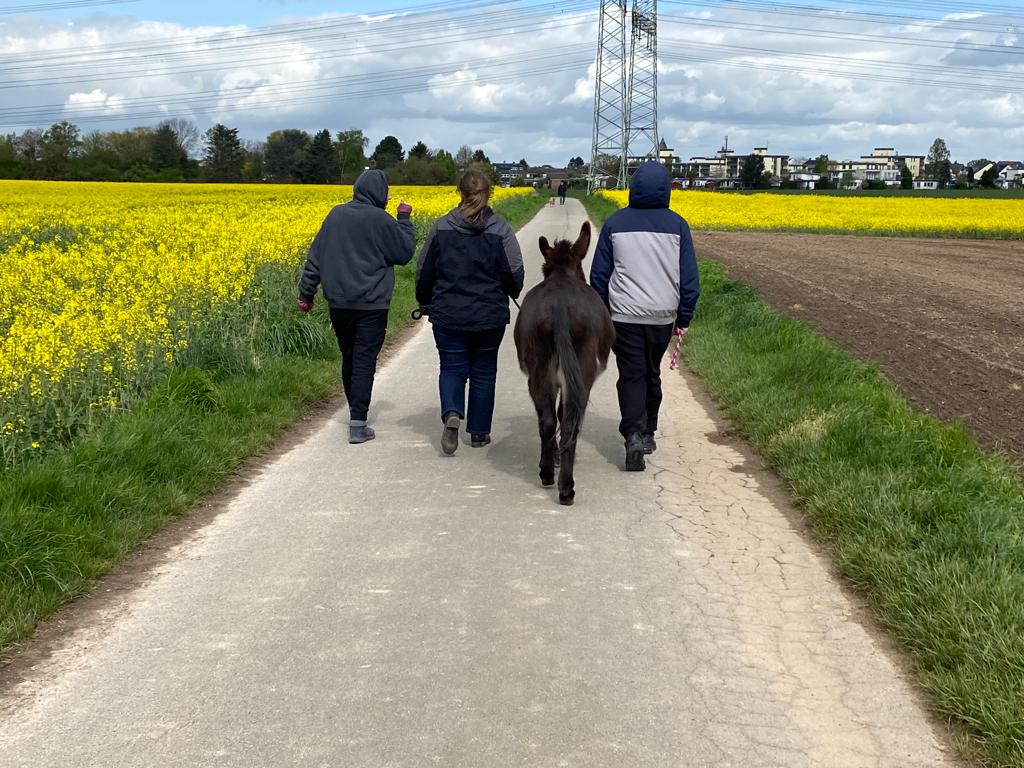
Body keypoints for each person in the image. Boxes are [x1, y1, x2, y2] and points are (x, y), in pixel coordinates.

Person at [589, 160, 700, 472]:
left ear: (634, 188)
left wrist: (602, 313)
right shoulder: (678, 226)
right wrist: (685, 317)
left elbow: (599, 277)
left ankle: (634, 434)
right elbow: (689, 280)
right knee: (652, 372)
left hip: (622, 316)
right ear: (666, 190)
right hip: (662, 317)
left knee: (632, 374)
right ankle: (648, 431)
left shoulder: (614, 224)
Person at [298, 170, 415, 444]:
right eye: (386, 191)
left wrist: (306, 294)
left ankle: (355, 412)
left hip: (339, 304)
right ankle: (358, 423)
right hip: (372, 304)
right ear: (377, 192)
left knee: (349, 356)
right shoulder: (381, 219)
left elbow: (315, 258)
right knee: (364, 360)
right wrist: (404, 219)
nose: (387, 197)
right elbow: (404, 253)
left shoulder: (335, 215)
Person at [415, 170, 525, 455]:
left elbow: (423, 272)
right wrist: (510, 291)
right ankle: (478, 433)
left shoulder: (441, 228)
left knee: (451, 367)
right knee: (484, 371)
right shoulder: (501, 229)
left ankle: (452, 412)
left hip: (448, 314)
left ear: (459, 193)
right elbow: (515, 274)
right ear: (489, 194)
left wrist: (425, 301)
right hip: (489, 316)